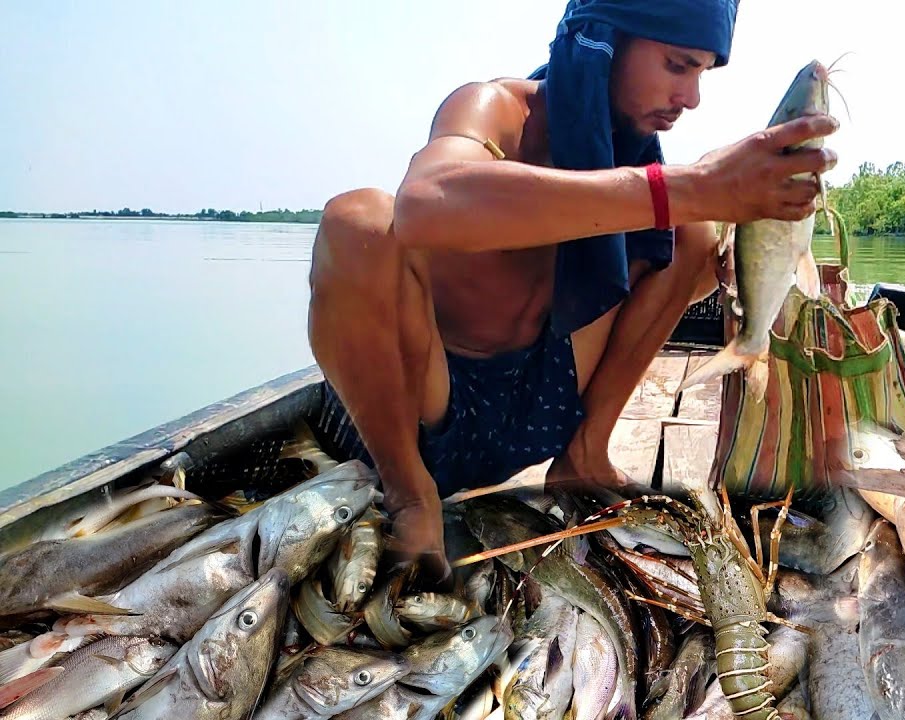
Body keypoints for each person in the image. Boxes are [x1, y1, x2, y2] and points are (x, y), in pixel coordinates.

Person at [307, 0, 838, 581]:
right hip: (427, 412)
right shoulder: (495, 111)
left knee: (693, 233)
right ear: (605, 39)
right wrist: (688, 186)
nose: (691, 98)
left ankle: (586, 451)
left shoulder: (629, 154)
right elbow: (425, 204)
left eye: (702, 74)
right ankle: (411, 495)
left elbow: (684, 222)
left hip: (543, 409)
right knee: (356, 222)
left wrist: (724, 209)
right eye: (677, 64)